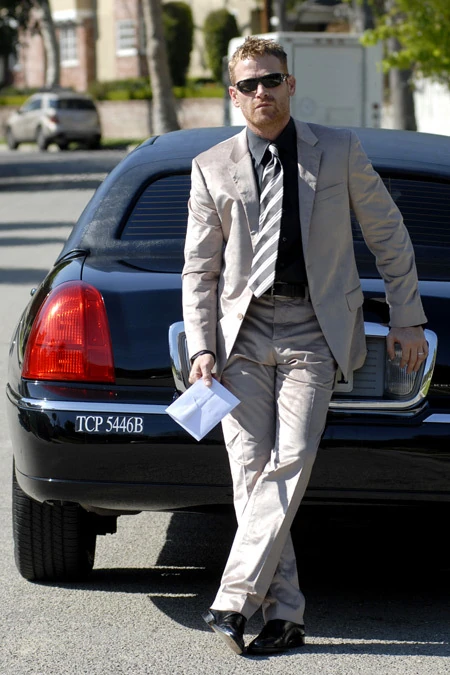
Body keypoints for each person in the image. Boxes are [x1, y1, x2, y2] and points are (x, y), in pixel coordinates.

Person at [182, 36, 428, 656]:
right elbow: (199, 270)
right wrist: (202, 347)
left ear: (290, 85)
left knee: (289, 460)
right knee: (250, 474)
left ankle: (233, 598)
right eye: (249, 84)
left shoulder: (339, 150)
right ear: (234, 96)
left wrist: (407, 315)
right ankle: (285, 613)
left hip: (314, 330)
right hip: (241, 336)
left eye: (272, 80)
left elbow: (389, 232)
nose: (261, 92)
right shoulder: (211, 166)